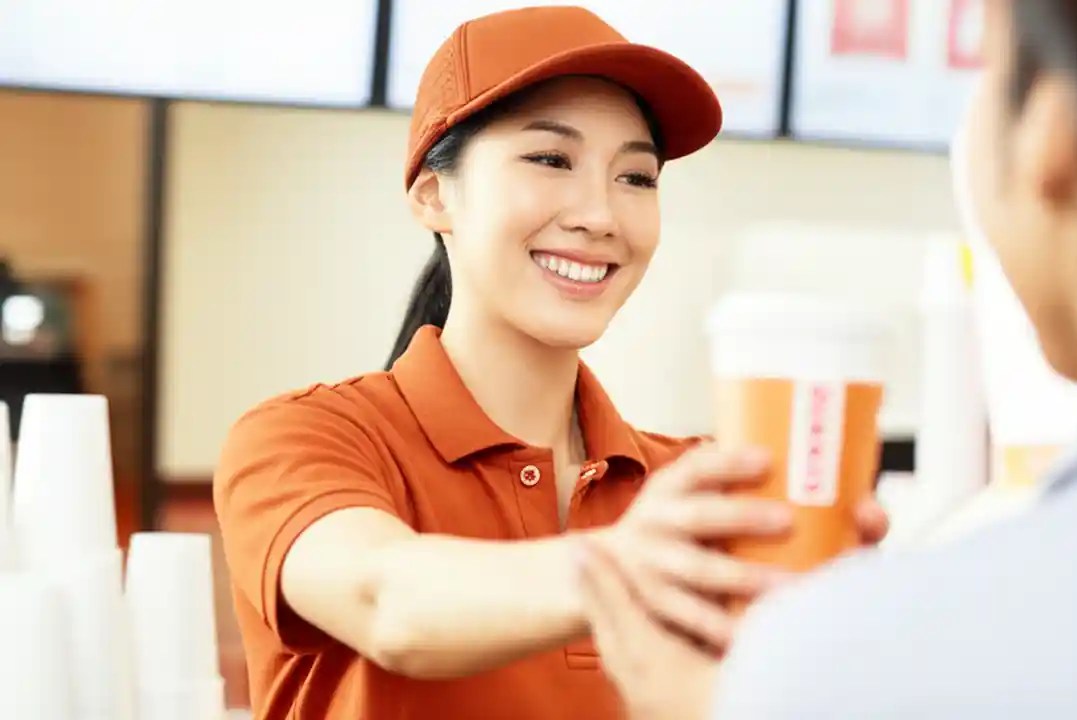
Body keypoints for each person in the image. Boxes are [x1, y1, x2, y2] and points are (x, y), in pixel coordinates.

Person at [576, 0, 1077, 717]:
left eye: (984, 70)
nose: (595, 217)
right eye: (549, 160)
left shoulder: (863, 660)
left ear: (1053, 135)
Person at [212, 6, 890, 719]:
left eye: (636, 177)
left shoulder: (693, 496)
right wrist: (622, 568)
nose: (600, 215)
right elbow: (387, 603)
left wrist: (845, 626)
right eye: (551, 160)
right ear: (434, 194)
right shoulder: (304, 439)